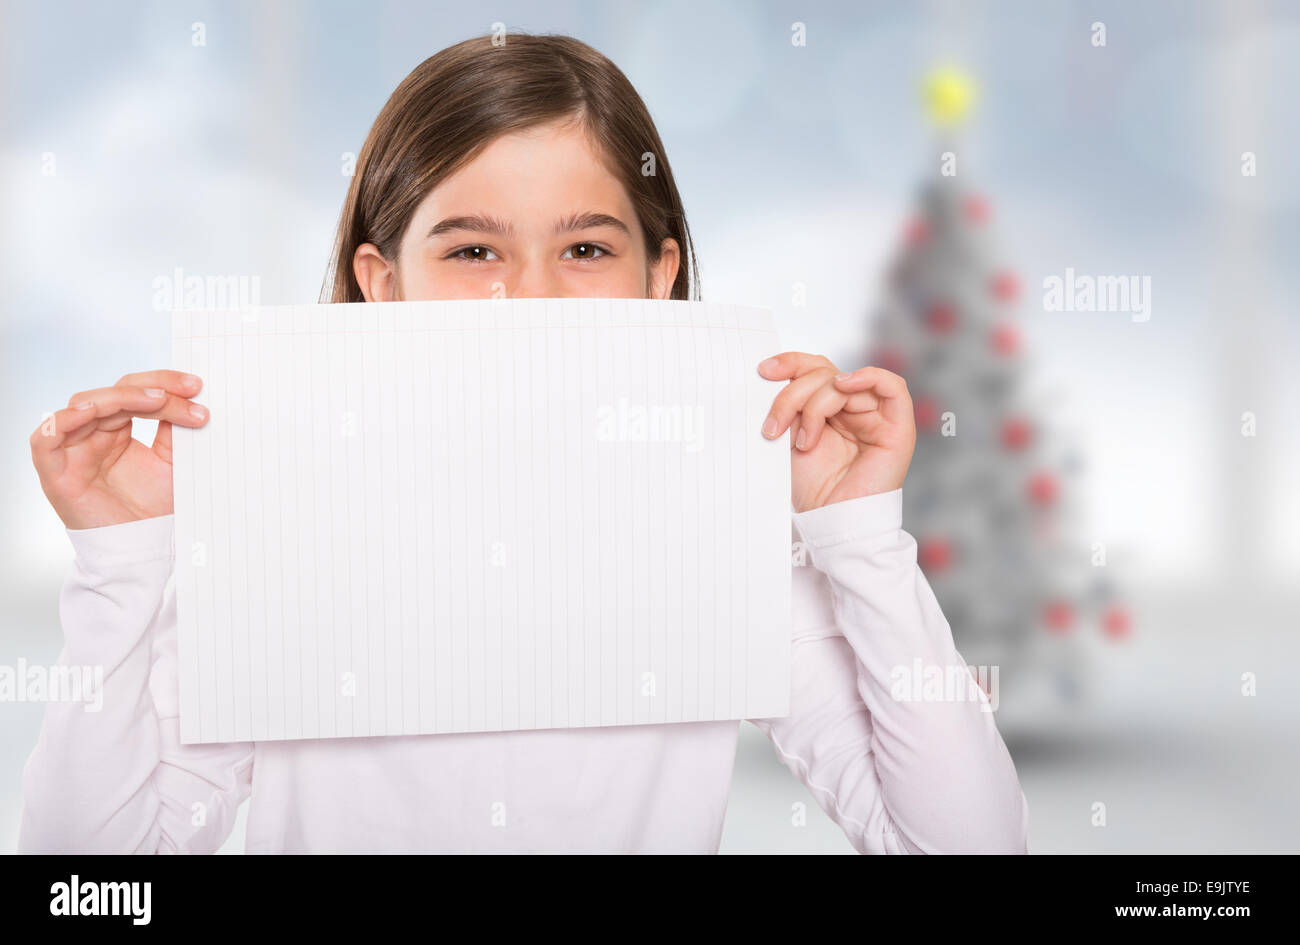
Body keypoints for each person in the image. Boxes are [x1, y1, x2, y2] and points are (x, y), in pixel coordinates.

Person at [21, 32, 1027, 853]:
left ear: (658, 275)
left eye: (585, 247)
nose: (533, 296)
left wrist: (855, 534)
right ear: (382, 282)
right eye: (473, 249)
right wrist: (125, 568)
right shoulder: (280, 534)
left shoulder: (728, 536)